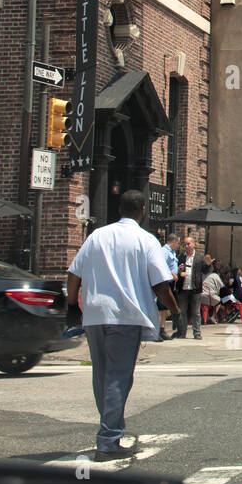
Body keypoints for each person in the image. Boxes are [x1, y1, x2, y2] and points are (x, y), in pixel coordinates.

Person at [67, 190, 179, 459]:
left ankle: (110, 427)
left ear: (120, 209)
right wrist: (175, 310)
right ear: (142, 209)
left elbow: (73, 274)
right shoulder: (145, 240)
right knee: (118, 376)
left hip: (94, 315)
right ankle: (108, 439)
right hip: (125, 317)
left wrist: (72, 306)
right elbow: (161, 284)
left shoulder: (97, 236)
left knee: (102, 375)